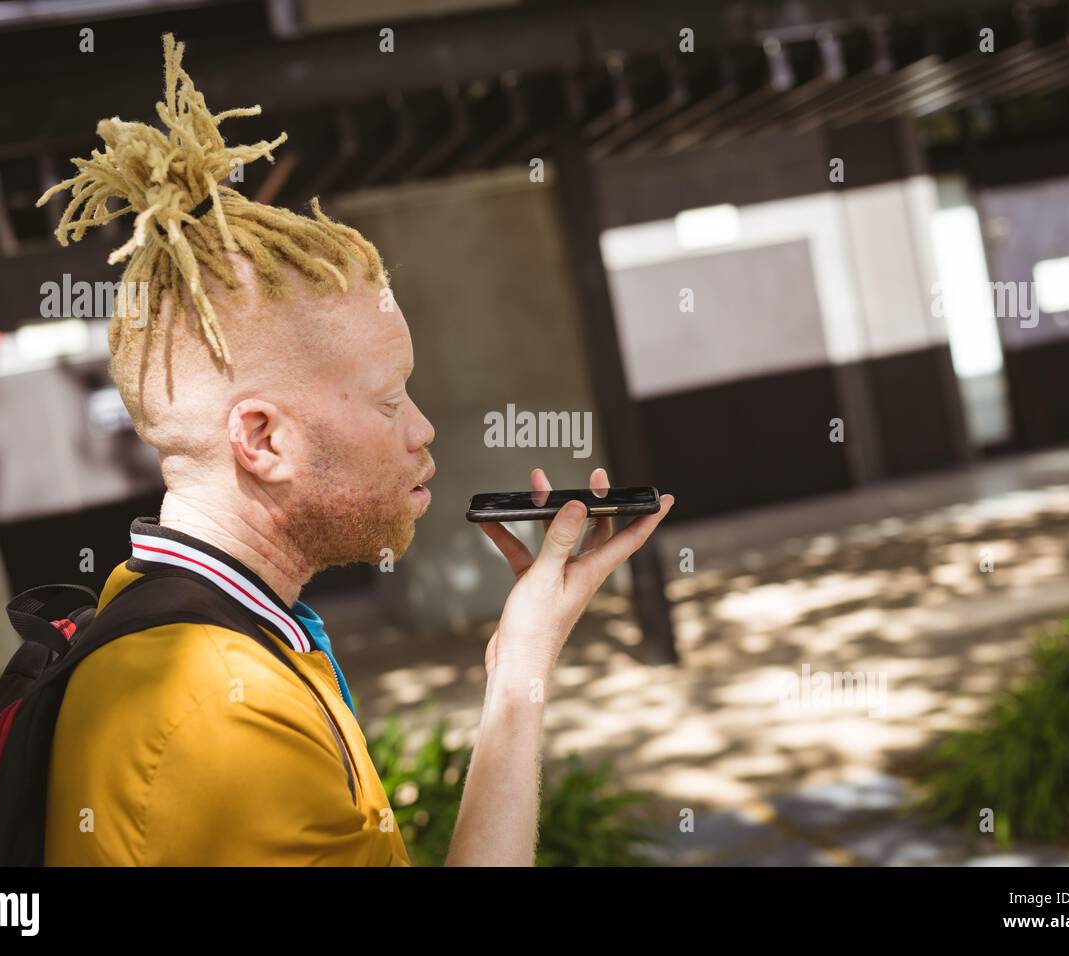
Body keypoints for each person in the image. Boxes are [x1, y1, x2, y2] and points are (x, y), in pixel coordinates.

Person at [38, 32, 675, 866]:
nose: (422, 429)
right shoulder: (221, 711)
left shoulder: (169, 623)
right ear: (262, 439)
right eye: (388, 400)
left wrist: (519, 657)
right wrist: (519, 684)